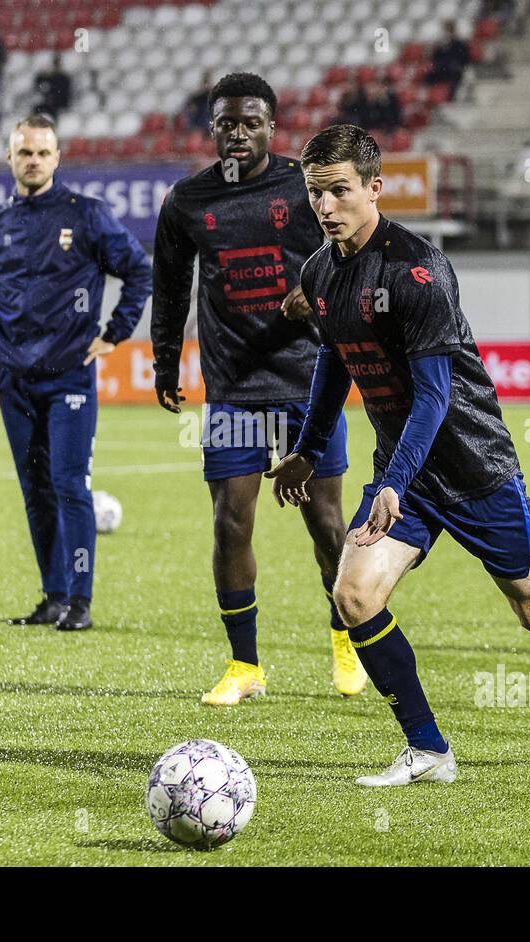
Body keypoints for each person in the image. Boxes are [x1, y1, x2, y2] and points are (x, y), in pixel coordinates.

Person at [267, 125, 530, 786]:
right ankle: (429, 749)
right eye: (315, 192)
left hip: (472, 467)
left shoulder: (417, 270)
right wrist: (309, 450)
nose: (325, 206)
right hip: (402, 477)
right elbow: (334, 360)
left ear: (375, 188)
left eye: (339, 190)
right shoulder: (319, 272)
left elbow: (434, 396)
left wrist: (392, 482)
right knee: (353, 594)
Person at [150, 73, 362, 705]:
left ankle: (345, 647)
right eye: (226, 124)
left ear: (272, 125)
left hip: (308, 381)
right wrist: (166, 362)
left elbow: (354, 244)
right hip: (235, 389)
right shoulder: (187, 201)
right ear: (211, 128)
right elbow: (169, 287)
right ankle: (245, 666)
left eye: (251, 122)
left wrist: (316, 291)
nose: (238, 134)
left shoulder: (306, 185)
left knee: (326, 523)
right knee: (229, 521)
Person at [0, 116, 152, 631]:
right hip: (14, 378)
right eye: (23, 152)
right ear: (10, 159)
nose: (32, 160)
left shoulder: (87, 216)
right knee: (35, 490)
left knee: (69, 484)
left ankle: (80, 601)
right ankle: (53, 597)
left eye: (42, 152)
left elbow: (138, 270)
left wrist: (115, 333)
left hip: (69, 377)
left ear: (58, 158)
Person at [427, 22, 471, 91]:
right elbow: (434, 58)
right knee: (430, 76)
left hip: (454, 70)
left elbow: (464, 58)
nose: (447, 34)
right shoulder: (440, 46)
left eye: (449, 31)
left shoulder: (460, 44)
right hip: (441, 70)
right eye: (446, 31)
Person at [33, 53, 72, 119]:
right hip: (48, 104)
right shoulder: (46, 77)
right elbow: (39, 86)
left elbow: (64, 93)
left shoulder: (64, 78)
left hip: (59, 104)